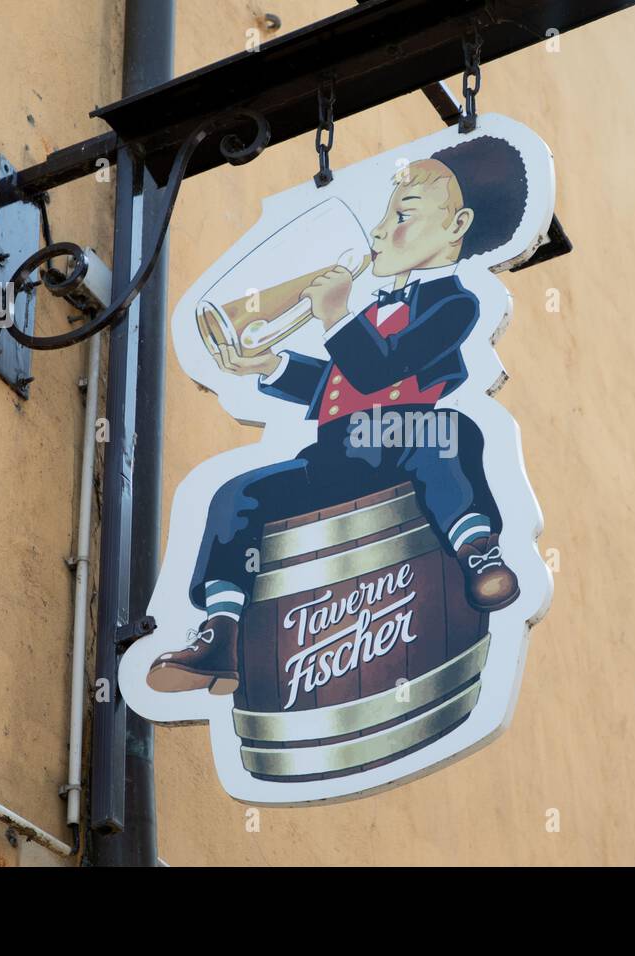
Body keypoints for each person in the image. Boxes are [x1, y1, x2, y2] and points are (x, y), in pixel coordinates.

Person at [148, 136, 529, 695]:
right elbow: (339, 387)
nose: (379, 232)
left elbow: (382, 371)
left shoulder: (454, 303)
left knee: (450, 433)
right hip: (333, 455)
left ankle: (476, 549)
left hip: (404, 442)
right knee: (235, 495)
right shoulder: (372, 309)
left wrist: (333, 317)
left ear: (457, 226)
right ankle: (221, 634)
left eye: (401, 216)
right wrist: (271, 362)